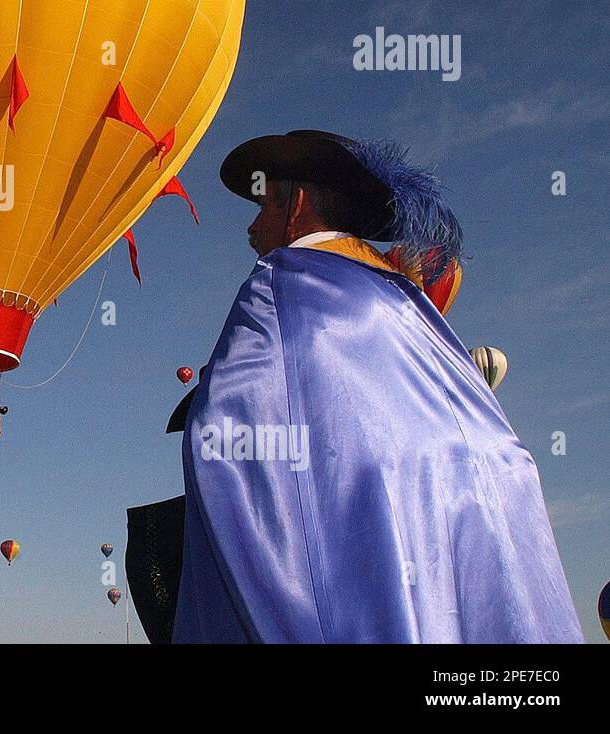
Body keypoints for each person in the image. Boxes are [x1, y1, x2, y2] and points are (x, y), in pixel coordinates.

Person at [151, 129, 580, 643]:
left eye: (262, 205)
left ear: (296, 204)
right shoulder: (415, 309)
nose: (251, 227)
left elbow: (230, 437)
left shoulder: (282, 282)